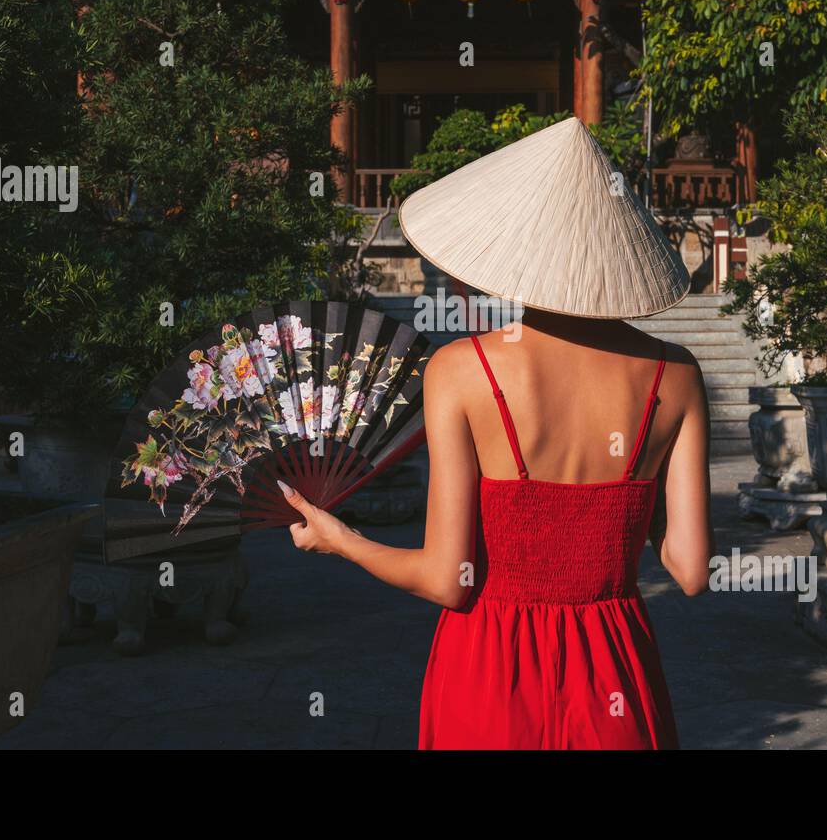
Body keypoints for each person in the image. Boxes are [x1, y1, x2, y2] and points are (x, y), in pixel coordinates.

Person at [277, 117, 713, 749]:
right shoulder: (675, 374)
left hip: (488, 675)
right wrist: (622, 501)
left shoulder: (461, 370)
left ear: (517, 250)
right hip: (614, 678)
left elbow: (448, 581)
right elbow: (692, 570)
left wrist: (341, 540)